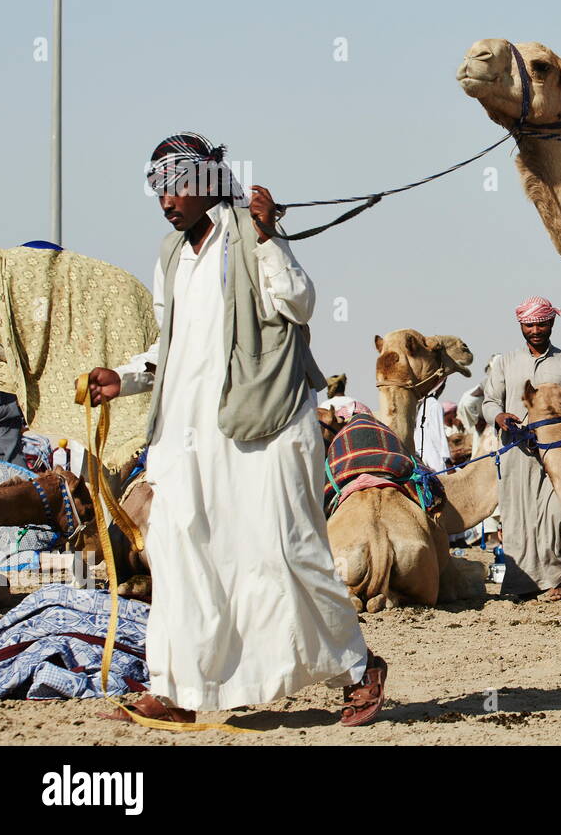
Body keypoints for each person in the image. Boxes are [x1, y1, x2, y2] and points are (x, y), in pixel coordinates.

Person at [86, 132, 386, 727]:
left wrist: (271, 237)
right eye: (158, 188)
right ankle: (177, 688)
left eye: (176, 183)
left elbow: (299, 303)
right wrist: (125, 378)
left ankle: (360, 668)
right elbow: (169, 346)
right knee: (179, 550)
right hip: (187, 433)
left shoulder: (250, 233)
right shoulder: (171, 254)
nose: (166, 199)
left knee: (285, 550)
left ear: (206, 180)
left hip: (265, 421)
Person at [482, 296, 561, 600]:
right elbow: (490, 402)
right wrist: (500, 417)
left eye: (541, 323)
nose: (535, 329)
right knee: (518, 519)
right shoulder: (505, 363)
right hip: (517, 453)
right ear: (521, 326)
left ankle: (554, 580)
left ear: (552, 322)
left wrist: (557, 417)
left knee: (556, 516)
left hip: (557, 455)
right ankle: (521, 585)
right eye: (529, 324)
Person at [418, 383, 452, 473]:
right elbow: (439, 437)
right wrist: (448, 462)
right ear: (440, 387)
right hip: (436, 461)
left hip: (423, 460)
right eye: (443, 384)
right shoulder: (435, 405)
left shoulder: (423, 405)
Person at [0, 391, 27, 469]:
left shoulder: (16, 390)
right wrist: (16, 405)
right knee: (23, 477)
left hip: (13, 443)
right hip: (1, 446)